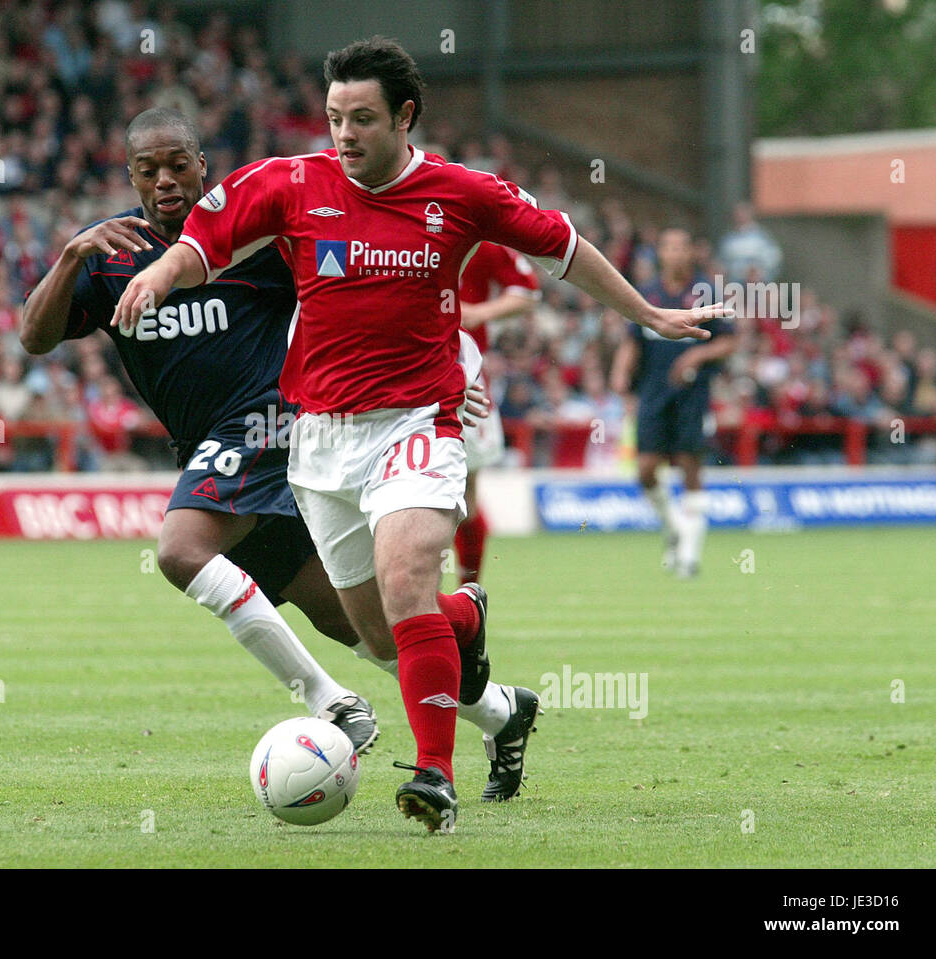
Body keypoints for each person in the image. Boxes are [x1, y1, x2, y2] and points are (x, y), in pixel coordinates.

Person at [113, 39, 731, 830]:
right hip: (320, 441)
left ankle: (434, 773)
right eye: (335, 117)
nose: (344, 134)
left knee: (405, 580)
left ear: (405, 117)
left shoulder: (460, 194)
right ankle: (469, 628)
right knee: (379, 634)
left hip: (419, 420)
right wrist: (158, 274)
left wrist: (647, 313)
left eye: (362, 118)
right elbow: (204, 246)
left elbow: (562, 248)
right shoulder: (289, 183)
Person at [22, 108, 526, 764]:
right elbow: (34, 337)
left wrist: (453, 351)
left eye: (179, 164)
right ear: (132, 177)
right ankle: (501, 708)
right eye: (149, 171)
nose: (166, 180)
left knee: (180, 550)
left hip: (271, 425)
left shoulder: (248, 240)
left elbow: (369, 291)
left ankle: (330, 701)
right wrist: (70, 255)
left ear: (203, 166)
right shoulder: (111, 257)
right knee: (363, 628)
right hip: (212, 450)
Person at [610, 228, 737, 577]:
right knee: (646, 470)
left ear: (691, 253)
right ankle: (675, 529)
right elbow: (632, 338)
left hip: (692, 395)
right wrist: (621, 371)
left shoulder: (705, 293)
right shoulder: (647, 294)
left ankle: (690, 557)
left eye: (682, 247)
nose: (675, 253)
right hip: (652, 393)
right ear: (660, 253)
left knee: (689, 466)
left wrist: (697, 357)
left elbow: (729, 341)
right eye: (669, 247)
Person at [455, 243, 540, 583]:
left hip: (463, 374)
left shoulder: (477, 235)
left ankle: (467, 593)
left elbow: (526, 292)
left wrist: (478, 313)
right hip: (392, 373)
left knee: (463, 495)